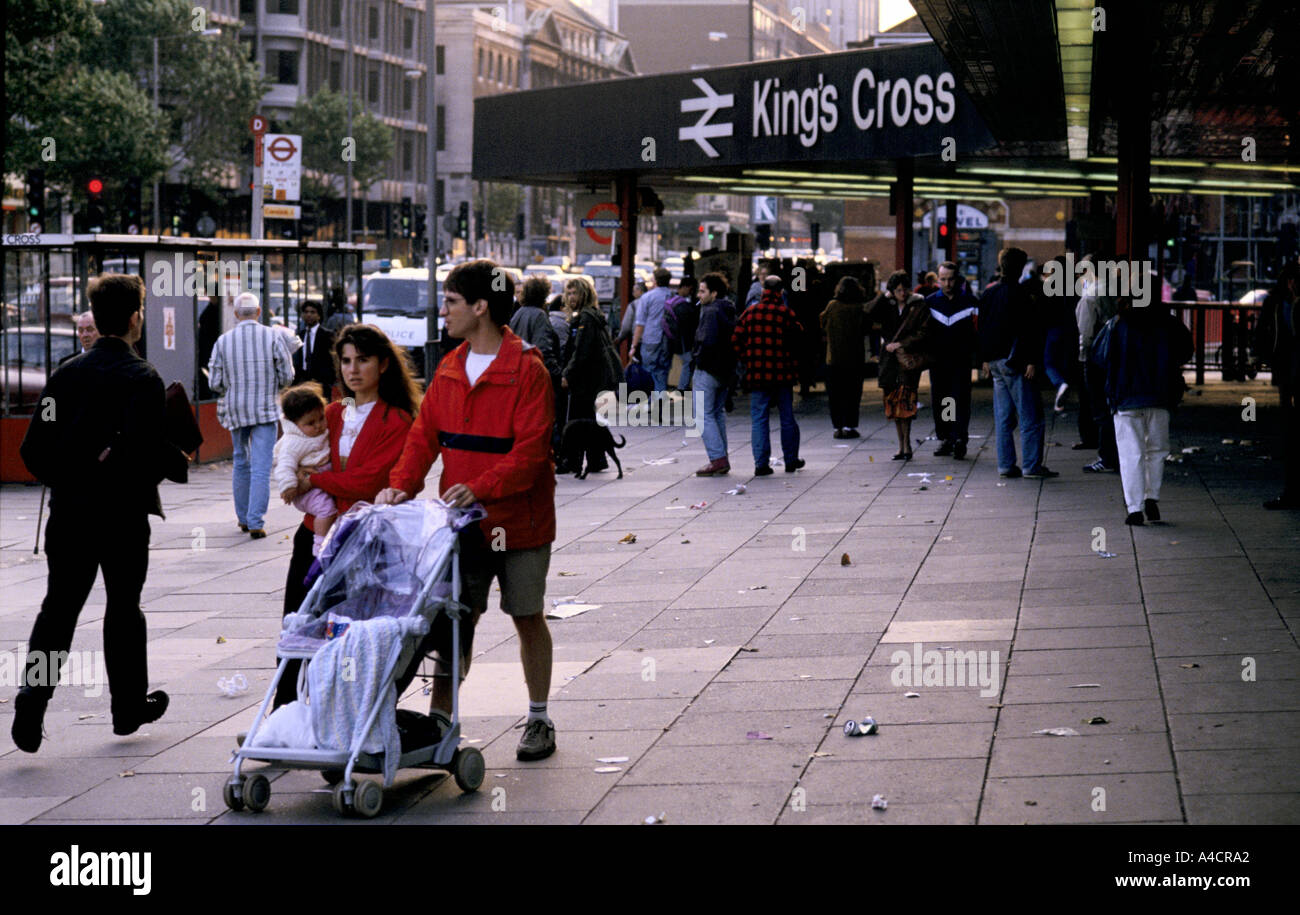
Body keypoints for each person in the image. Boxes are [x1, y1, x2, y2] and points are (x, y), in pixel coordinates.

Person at [377, 259, 558, 762]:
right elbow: (422, 439)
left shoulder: (528, 371)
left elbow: (530, 457)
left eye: (452, 301)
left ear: (481, 307)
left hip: (519, 524)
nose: (444, 310)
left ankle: (539, 718)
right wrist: (399, 488)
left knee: (526, 615)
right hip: (461, 526)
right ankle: (439, 722)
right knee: (455, 619)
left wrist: (477, 488)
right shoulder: (451, 367)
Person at [14, 274, 188, 753]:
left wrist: (70, 476)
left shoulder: (65, 375)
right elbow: (145, 451)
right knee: (123, 607)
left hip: (70, 514)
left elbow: (34, 447)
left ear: (97, 315)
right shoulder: (144, 379)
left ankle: (32, 700)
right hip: (123, 517)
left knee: (58, 609)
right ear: (135, 319)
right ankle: (128, 706)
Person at [272, 324, 420, 709]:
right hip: (316, 532)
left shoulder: (396, 419)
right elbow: (295, 443)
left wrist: (314, 479)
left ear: (383, 364)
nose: (353, 370)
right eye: (346, 361)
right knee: (297, 621)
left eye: (363, 360)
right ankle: (283, 709)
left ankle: (336, 709)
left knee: (346, 631)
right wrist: (296, 474)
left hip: (364, 537)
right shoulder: (331, 412)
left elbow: (368, 479)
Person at [1091, 297, 1193, 525]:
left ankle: (1134, 508)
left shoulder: (1116, 324)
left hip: (1125, 396)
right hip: (1159, 396)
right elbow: (1186, 349)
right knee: (1156, 451)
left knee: (1131, 454)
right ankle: (1152, 498)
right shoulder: (1168, 322)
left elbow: (1098, 355)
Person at [207, 292, 294, 539]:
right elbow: (287, 376)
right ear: (258, 312)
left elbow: (215, 382)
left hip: (236, 409)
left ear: (236, 314)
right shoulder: (273, 336)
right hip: (265, 408)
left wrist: (233, 388)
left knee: (240, 461)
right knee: (261, 466)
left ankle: (243, 518)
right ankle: (256, 521)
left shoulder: (223, 341)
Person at [979, 247, 1058, 479]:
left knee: (1003, 417)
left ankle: (1005, 464)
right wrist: (1032, 361)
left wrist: (983, 358)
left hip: (994, 360)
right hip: (1016, 361)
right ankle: (1031, 466)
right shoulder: (1021, 294)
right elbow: (1029, 330)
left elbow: (982, 327)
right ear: (1021, 267)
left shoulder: (989, 293)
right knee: (1030, 416)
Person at [734, 275, 804, 476]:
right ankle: (791, 460)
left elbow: (736, 340)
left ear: (763, 290)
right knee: (787, 417)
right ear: (781, 292)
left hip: (757, 375)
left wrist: (748, 359)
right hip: (782, 374)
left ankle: (761, 463)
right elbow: (800, 340)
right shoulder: (786, 314)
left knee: (759, 418)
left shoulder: (749, 313)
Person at [867, 271, 930, 460]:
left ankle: (907, 444)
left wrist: (903, 344)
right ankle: (901, 445)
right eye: (898, 290)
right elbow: (868, 312)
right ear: (892, 291)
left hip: (906, 359)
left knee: (906, 401)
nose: (902, 293)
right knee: (893, 402)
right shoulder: (887, 305)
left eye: (905, 290)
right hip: (889, 360)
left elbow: (924, 331)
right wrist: (883, 297)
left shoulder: (918, 305)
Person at [273, 383, 337, 556]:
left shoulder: (318, 432)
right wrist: (289, 486)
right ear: (295, 424)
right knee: (327, 509)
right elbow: (284, 465)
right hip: (304, 491)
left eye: (321, 419)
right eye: (310, 423)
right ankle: (320, 545)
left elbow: (347, 404)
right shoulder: (294, 442)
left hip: (318, 480)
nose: (318, 426)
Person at [560, 278, 616, 473]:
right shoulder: (593, 316)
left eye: (574, 293)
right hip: (593, 378)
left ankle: (573, 461)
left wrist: (568, 373)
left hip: (585, 379)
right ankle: (596, 459)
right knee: (589, 419)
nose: (571, 297)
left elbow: (581, 351)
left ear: (584, 294)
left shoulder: (585, 319)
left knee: (576, 421)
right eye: (569, 293)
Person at [925, 261, 979, 459]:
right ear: (938, 280)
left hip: (961, 360)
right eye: (943, 279)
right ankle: (946, 437)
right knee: (943, 400)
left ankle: (959, 438)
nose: (947, 283)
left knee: (960, 399)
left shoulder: (971, 302)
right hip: (938, 362)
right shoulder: (930, 303)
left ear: (958, 279)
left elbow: (977, 332)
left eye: (951, 279)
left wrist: (980, 358)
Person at [1257, 261, 1300, 509]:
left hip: (1291, 371)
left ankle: (1291, 490)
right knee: (1289, 431)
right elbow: (1267, 332)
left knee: (1291, 432)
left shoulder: (1287, 306)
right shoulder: (1276, 304)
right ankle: (1291, 489)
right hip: (1287, 372)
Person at [1076, 257, 1120, 473]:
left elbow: (1085, 331)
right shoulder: (1116, 289)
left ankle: (1106, 457)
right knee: (1114, 406)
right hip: (1116, 354)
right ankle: (1117, 454)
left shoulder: (1091, 294)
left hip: (1095, 357)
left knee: (1100, 408)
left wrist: (1083, 355)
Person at [692, 272, 737, 476]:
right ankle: (721, 456)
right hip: (724, 370)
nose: (699, 295)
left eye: (702, 291)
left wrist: (698, 359)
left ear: (714, 293)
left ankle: (717, 458)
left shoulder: (710, 312)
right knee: (716, 413)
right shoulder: (728, 310)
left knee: (702, 414)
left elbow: (706, 341)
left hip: (708, 369)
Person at [819, 275, 870, 438]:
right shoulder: (859, 308)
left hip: (834, 359)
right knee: (853, 394)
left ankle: (837, 427)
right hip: (855, 359)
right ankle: (850, 426)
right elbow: (867, 328)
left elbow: (822, 321)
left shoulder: (832, 306)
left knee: (835, 395)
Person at [631, 268, 674, 392]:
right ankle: (660, 401)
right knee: (663, 371)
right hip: (668, 339)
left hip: (650, 338)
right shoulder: (672, 296)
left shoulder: (647, 297)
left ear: (655, 281)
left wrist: (634, 345)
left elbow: (640, 324)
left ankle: (652, 401)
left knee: (649, 371)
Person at [662, 276, 700, 392]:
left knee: (668, 365)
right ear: (685, 287)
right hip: (682, 340)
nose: (691, 292)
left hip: (670, 338)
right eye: (691, 289)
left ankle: (667, 387)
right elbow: (689, 324)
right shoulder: (683, 305)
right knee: (687, 362)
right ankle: (682, 387)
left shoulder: (671, 301)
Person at [293, 300, 336, 392]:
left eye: (312, 312)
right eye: (306, 312)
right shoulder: (300, 335)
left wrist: (328, 381)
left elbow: (332, 360)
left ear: (319, 315)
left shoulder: (327, 335)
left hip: (321, 382)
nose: (309, 315)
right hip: (302, 381)